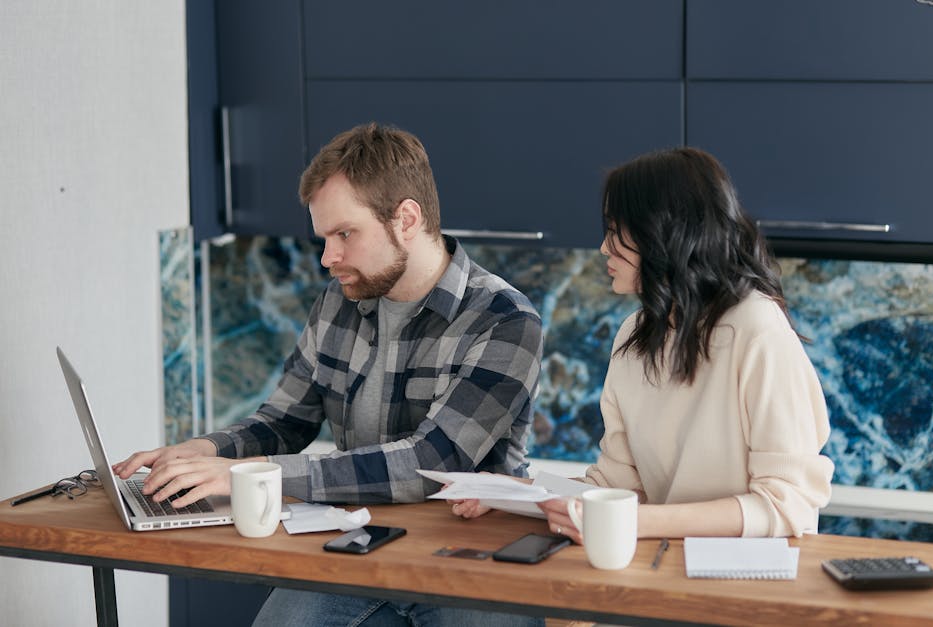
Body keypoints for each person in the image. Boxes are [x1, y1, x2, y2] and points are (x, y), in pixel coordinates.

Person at [115, 123, 544, 626]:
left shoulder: (504, 319)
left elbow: (432, 461)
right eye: (324, 237)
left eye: (345, 234)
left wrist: (252, 476)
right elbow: (283, 423)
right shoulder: (338, 302)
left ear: (406, 218)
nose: (327, 258)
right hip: (361, 542)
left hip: (471, 559)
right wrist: (204, 453)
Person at [452, 146, 834, 541]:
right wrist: (512, 493)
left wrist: (634, 522)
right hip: (665, 569)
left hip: (749, 583)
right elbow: (616, 484)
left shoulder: (757, 328)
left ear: (664, 233)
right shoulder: (634, 335)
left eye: (617, 231)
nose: (604, 248)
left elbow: (788, 503)